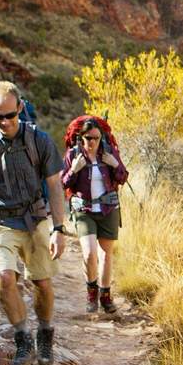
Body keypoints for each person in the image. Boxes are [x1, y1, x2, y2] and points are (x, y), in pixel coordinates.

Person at [0, 81, 68, 365]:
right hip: (1, 221)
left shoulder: (39, 140)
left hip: (35, 218)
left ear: (20, 108)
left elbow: (55, 186)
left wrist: (59, 228)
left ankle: (45, 332)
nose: (5, 122)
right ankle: (23, 337)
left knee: (42, 283)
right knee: (5, 279)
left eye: (10, 115)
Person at [61, 115, 128, 314]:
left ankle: (106, 296)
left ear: (101, 138)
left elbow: (123, 177)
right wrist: (74, 170)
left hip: (108, 208)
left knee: (106, 256)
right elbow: (63, 183)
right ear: (81, 138)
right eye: (88, 138)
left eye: (96, 138)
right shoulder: (73, 155)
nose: (92, 142)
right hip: (84, 210)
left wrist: (114, 164)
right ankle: (92, 292)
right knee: (90, 253)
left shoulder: (109, 152)